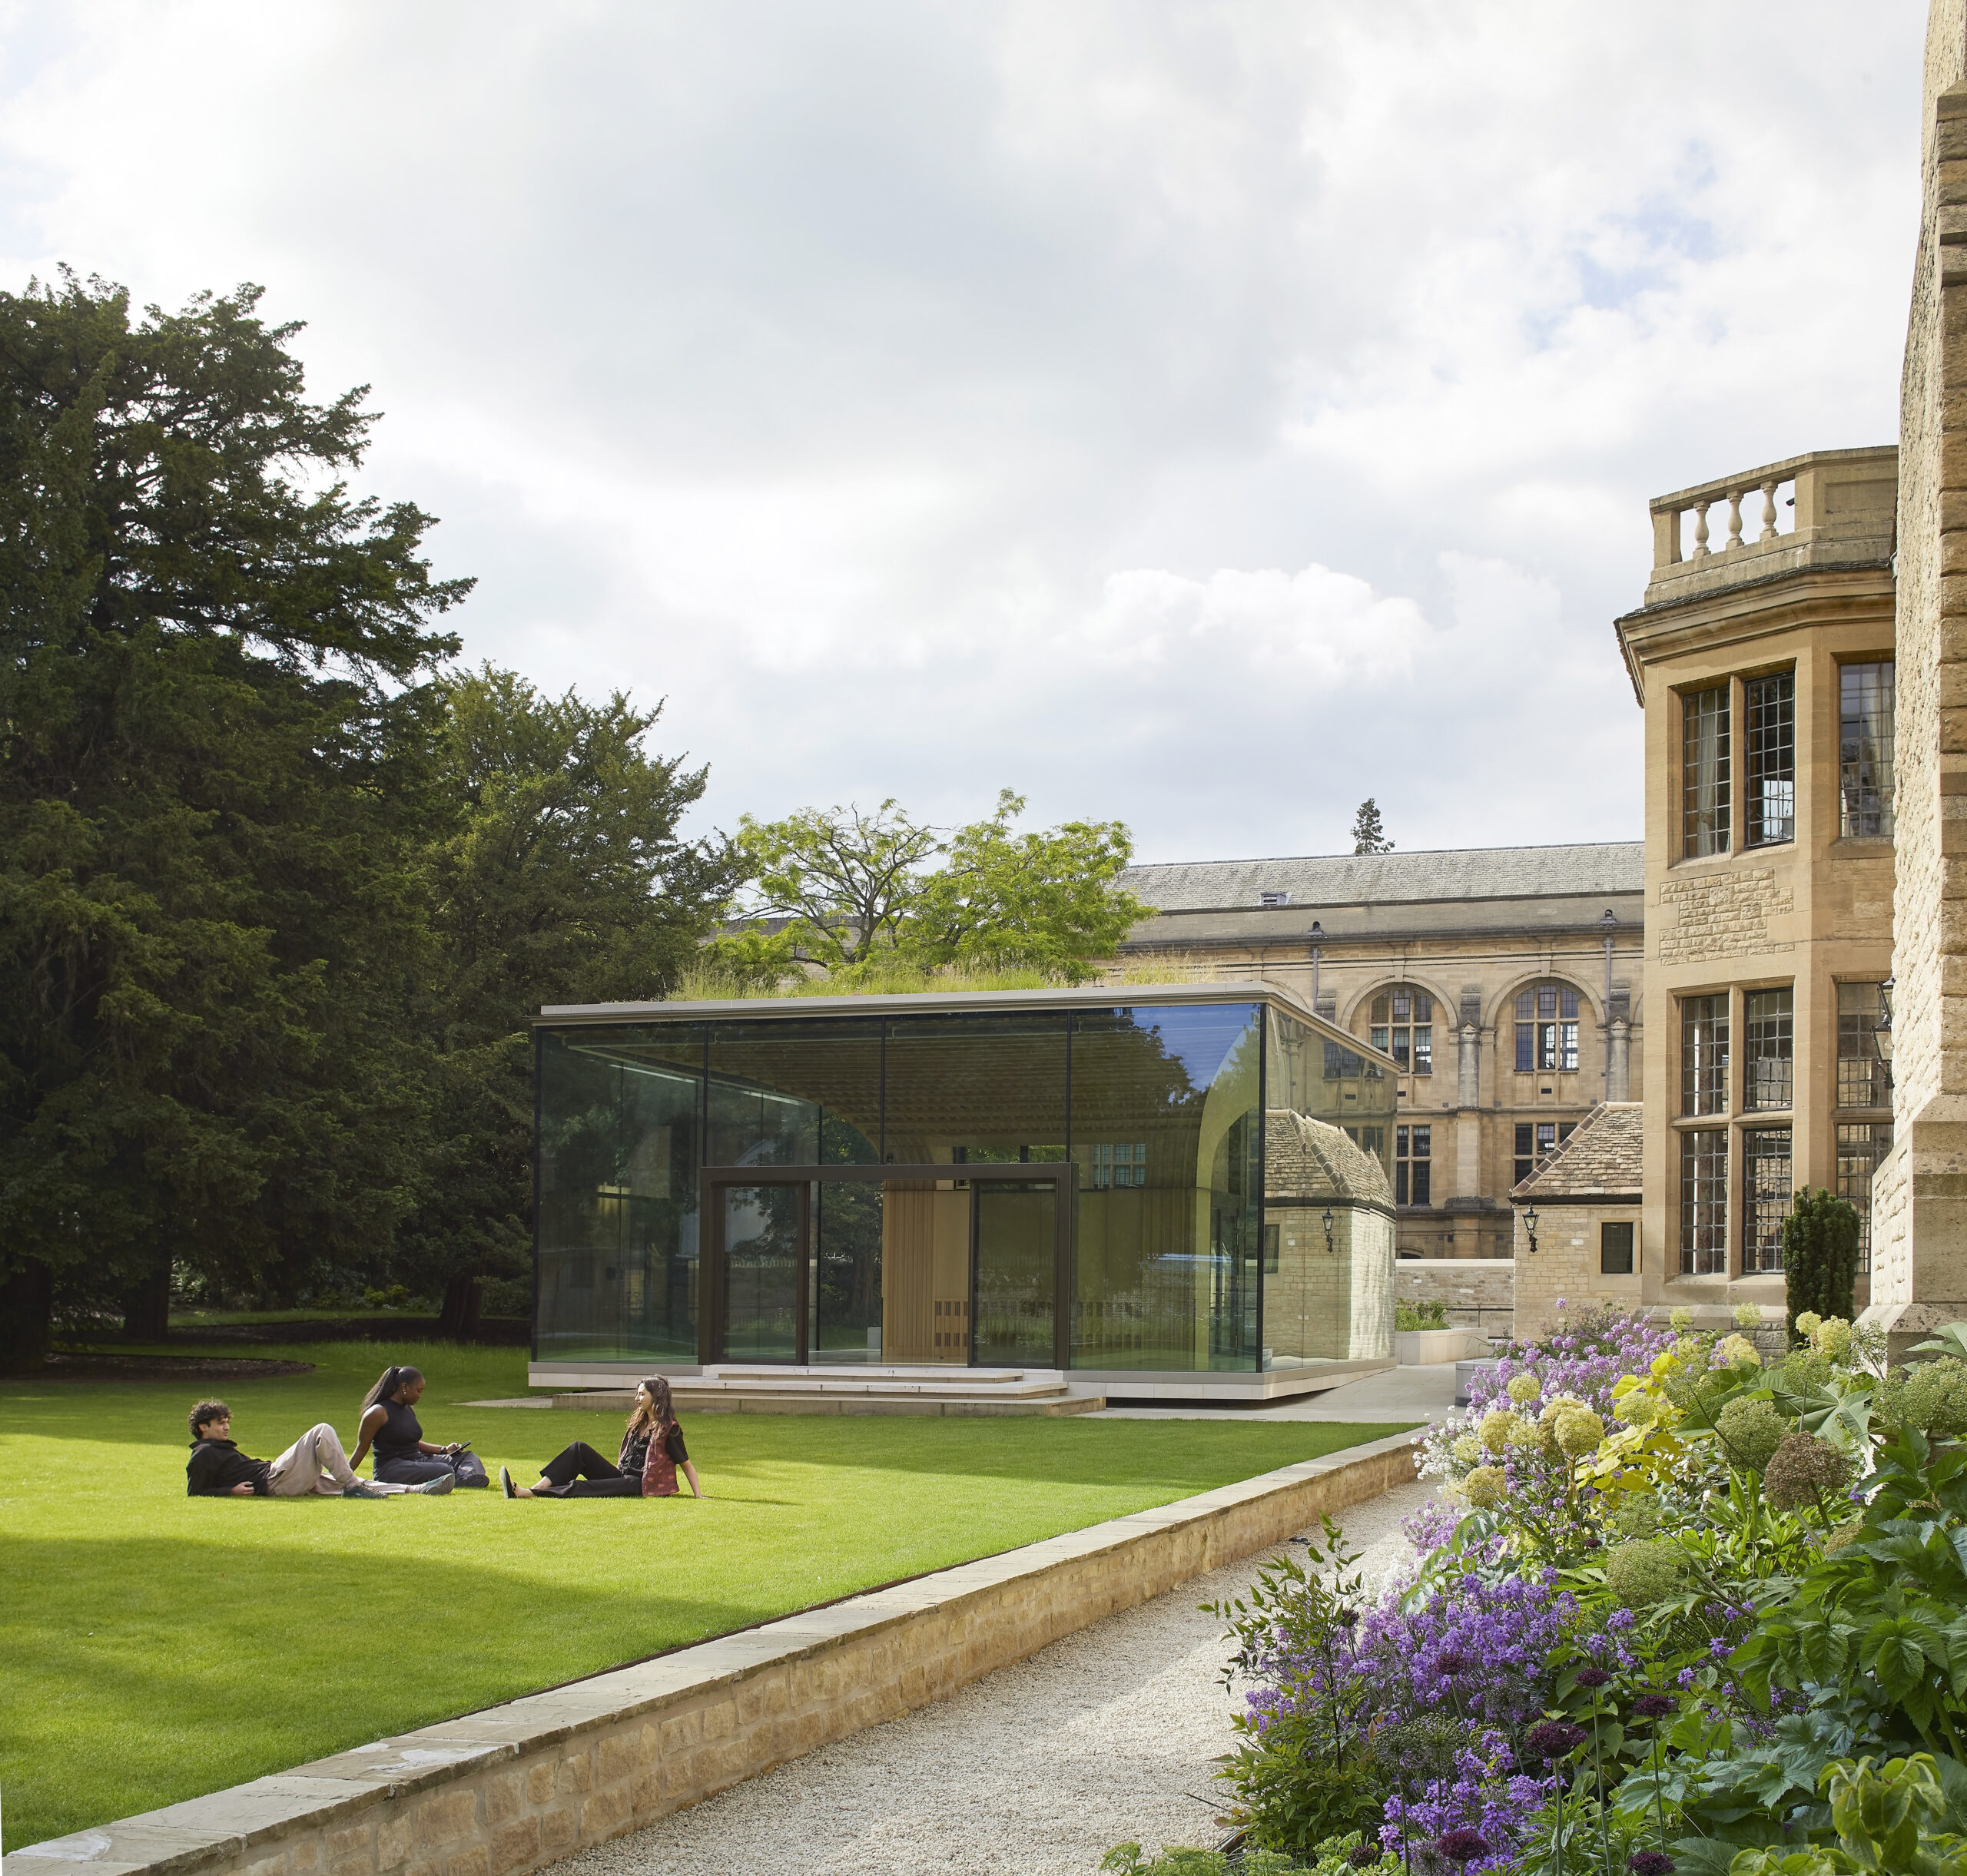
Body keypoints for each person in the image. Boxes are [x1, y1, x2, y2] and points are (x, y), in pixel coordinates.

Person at [499, 1376, 704, 1499]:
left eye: (642, 1394)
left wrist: (698, 1495)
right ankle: (537, 1487)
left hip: (638, 1484)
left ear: (656, 1397)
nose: (637, 1399)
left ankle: (527, 1493)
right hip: (621, 1476)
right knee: (578, 1449)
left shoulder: (670, 1429)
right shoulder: (639, 1423)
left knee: (583, 1487)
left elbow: (686, 1465)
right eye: (637, 1394)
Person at [185, 1399, 406, 1498]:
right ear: (203, 1427)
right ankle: (351, 1485)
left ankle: (415, 1489)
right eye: (220, 1423)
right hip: (274, 1481)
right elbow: (195, 1491)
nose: (227, 1427)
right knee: (321, 1431)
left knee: (349, 1483)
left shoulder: (218, 1448)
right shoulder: (203, 1453)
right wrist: (230, 1491)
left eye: (227, 1421)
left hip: (278, 1477)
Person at [350, 1364, 483, 1490]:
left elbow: (413, 1442)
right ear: (404, 1387)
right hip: (392, 1468)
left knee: (468, 1457)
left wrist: (444, 1450)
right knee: (445, 1469)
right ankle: (459, 1479)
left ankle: (462, 1480)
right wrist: (342, 1478)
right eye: (418, 1391)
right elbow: (361, 1449)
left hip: (418, 1460)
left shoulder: (409, 1408)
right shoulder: (378, 1413)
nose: (420, 1396)